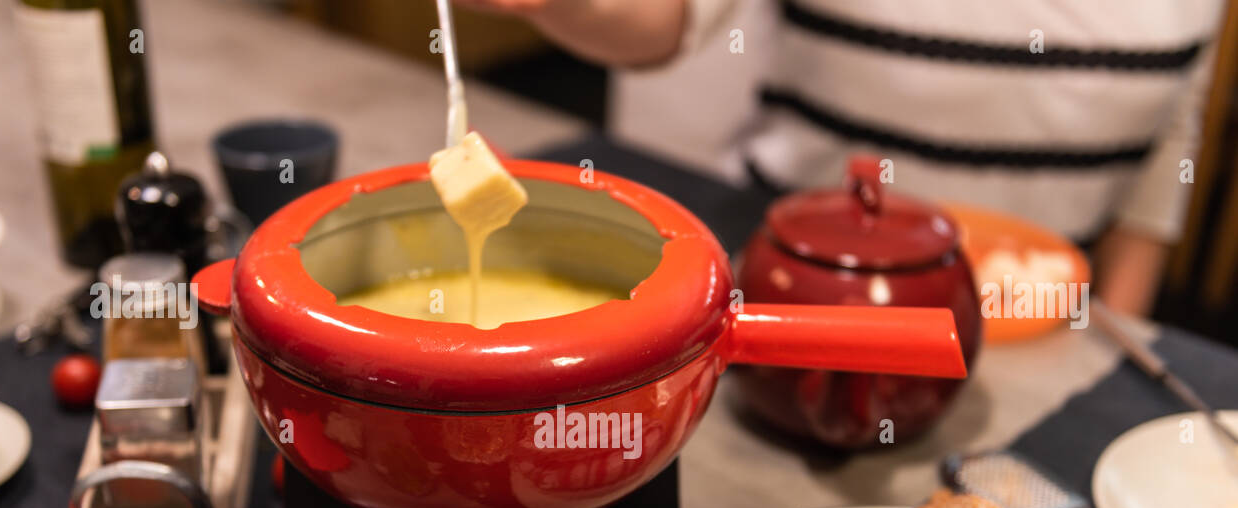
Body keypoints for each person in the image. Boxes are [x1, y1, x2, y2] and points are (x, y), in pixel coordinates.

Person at [457, 0, 1226, 317]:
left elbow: (1172, 139)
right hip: (799, 295)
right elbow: (667, 20)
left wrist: (1107, 351)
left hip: (1037, 319)